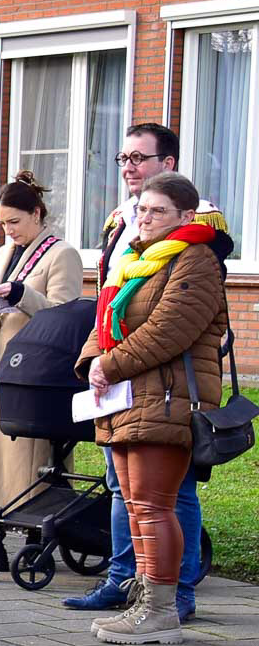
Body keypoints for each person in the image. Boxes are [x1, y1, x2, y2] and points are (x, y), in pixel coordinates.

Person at [66, 124, 233, 619]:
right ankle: (130, 585)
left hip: (166, 395)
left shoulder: (196, 253)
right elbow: (107, 309)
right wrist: (92, 362)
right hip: (126, 394)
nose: (129, 168)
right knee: (132, 498)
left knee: (163, 500)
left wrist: (109, 363)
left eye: (139, 158)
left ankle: (171, 598)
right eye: (123, 158)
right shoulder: (132, 246)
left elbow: (168, 329)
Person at [0, 172, 84, 560]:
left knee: (28, 459)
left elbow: (65, 314)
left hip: (35, 372)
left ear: (37, 214)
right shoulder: (3, 253)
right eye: (3, 223)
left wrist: (22, 294)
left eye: (14, 221)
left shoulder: (62, 254)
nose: (9, 230)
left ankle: (34, 537)